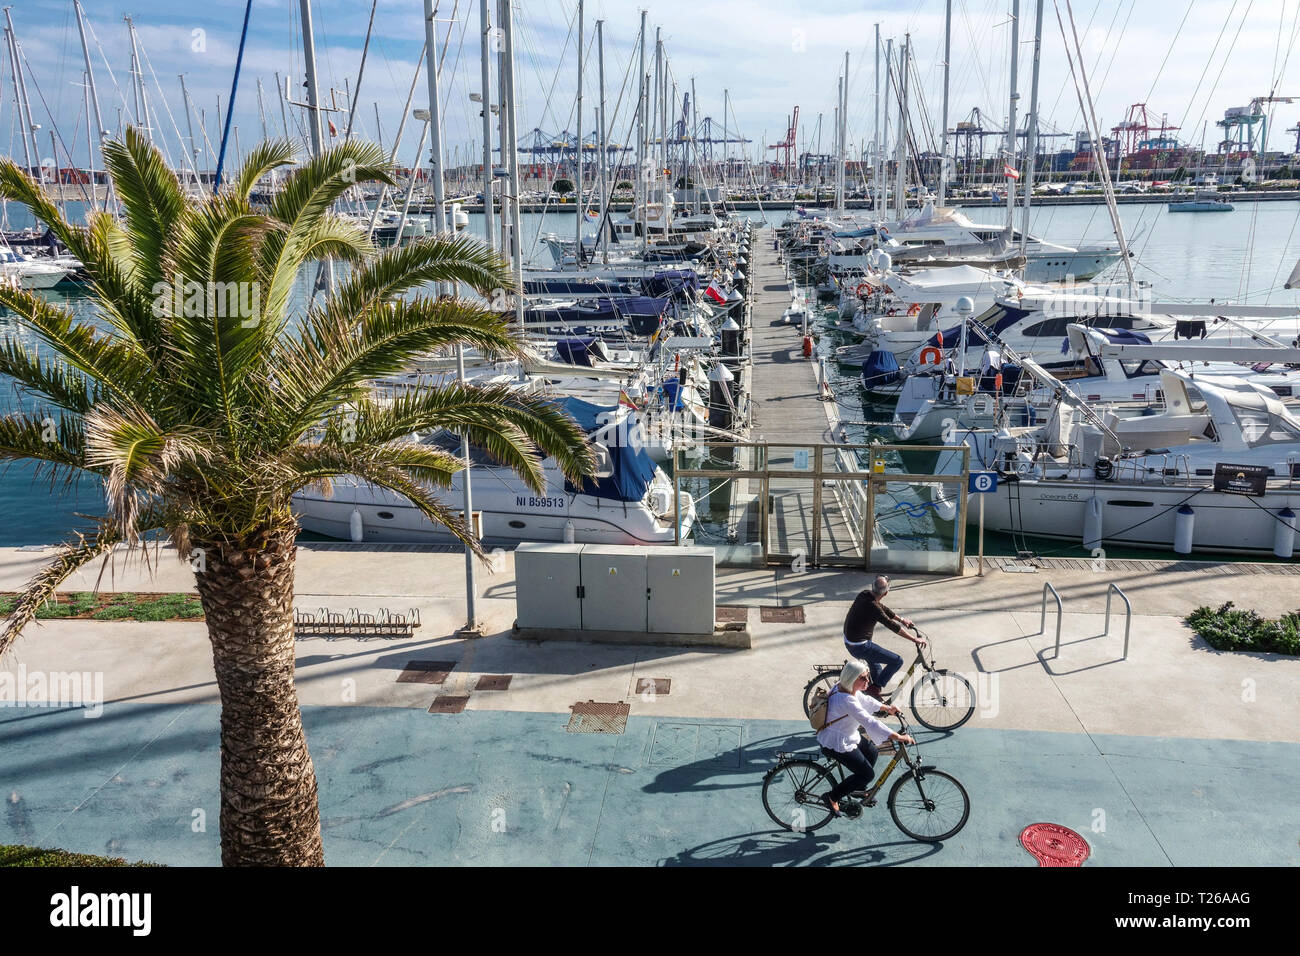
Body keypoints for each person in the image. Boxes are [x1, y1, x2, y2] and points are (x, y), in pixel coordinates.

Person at [816, 659, 915, 817]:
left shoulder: (843, 688)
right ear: (852, 678)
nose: (868, 680)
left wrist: (887, 708)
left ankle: (856, 789)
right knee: (867, 775)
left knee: (872, 753)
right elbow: (870, 722)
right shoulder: (847, 700)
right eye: (864, 678)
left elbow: (865, 699)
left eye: (868, 676)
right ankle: (832, 797)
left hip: (846, 734)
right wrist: (897, 737)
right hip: (836, 741)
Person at [843, 574, 926, 699]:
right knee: (897, 661)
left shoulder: (865, 594)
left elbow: (883, 608)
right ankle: (873, 690)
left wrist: (902, 619)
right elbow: (892, 625)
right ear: (886, 593)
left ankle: (873, 698)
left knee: (876, 668)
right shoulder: (873, 607)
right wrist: (914, 639)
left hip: (851, 641)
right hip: (860, 646)